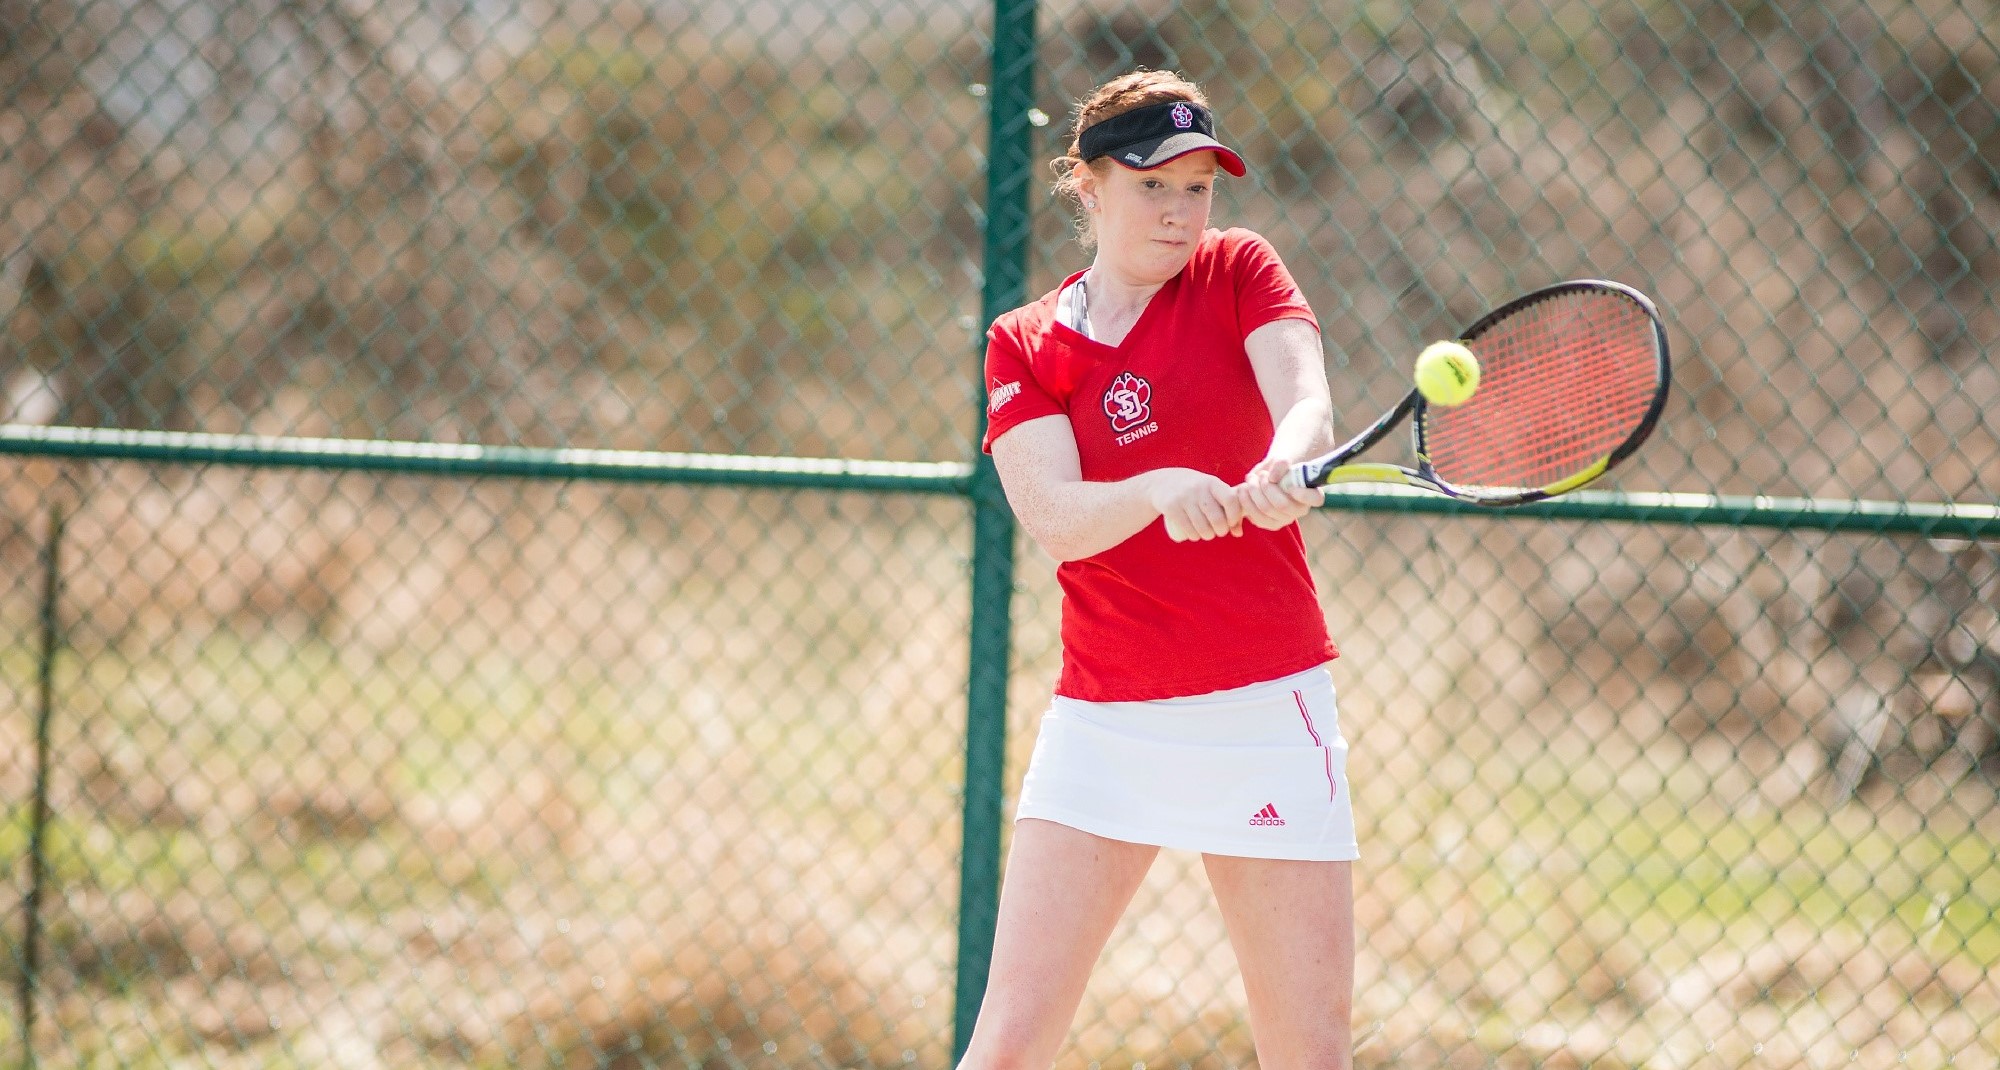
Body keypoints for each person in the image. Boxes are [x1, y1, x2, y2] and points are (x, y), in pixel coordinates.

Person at [966, 70, 1355, 1070]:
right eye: (1152, 186)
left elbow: (1303, 398)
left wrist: (1286, 456)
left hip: (1263, 709)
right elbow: (1053, 516)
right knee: (1004, 1048)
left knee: (1305, 1057)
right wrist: (1158, 486)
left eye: (1197, 188)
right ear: (1087, 187)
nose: (1180, 212)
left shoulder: (1238, 271)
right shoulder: (1023, 342)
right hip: (1103, 722)